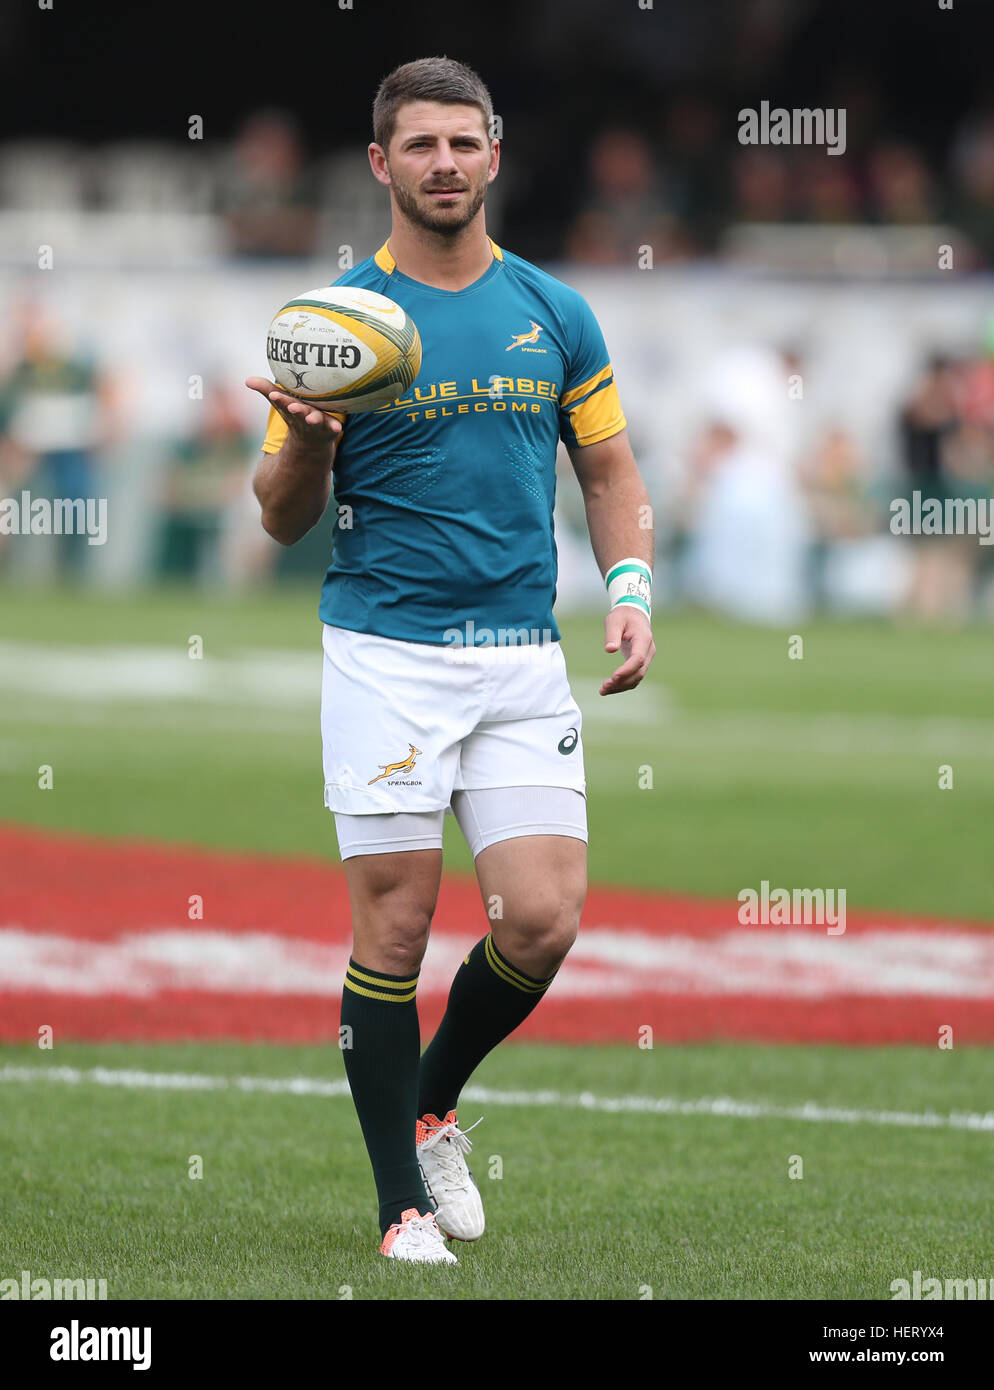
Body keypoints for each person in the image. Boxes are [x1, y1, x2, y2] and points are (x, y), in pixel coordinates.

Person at [246, 57, 655, 1266]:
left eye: (462, 144)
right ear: (380, 164)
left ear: (493, 153)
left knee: (541, 917)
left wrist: (627, 586)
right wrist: (309, 452)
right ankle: (397, 1209)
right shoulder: (332, 327)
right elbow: (274, 515)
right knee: (397, 924)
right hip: (387, 654)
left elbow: (612, 473)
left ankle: (431, 1104)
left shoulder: (556, 311)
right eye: (418, 146)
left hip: (522, 655)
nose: (442, 164)